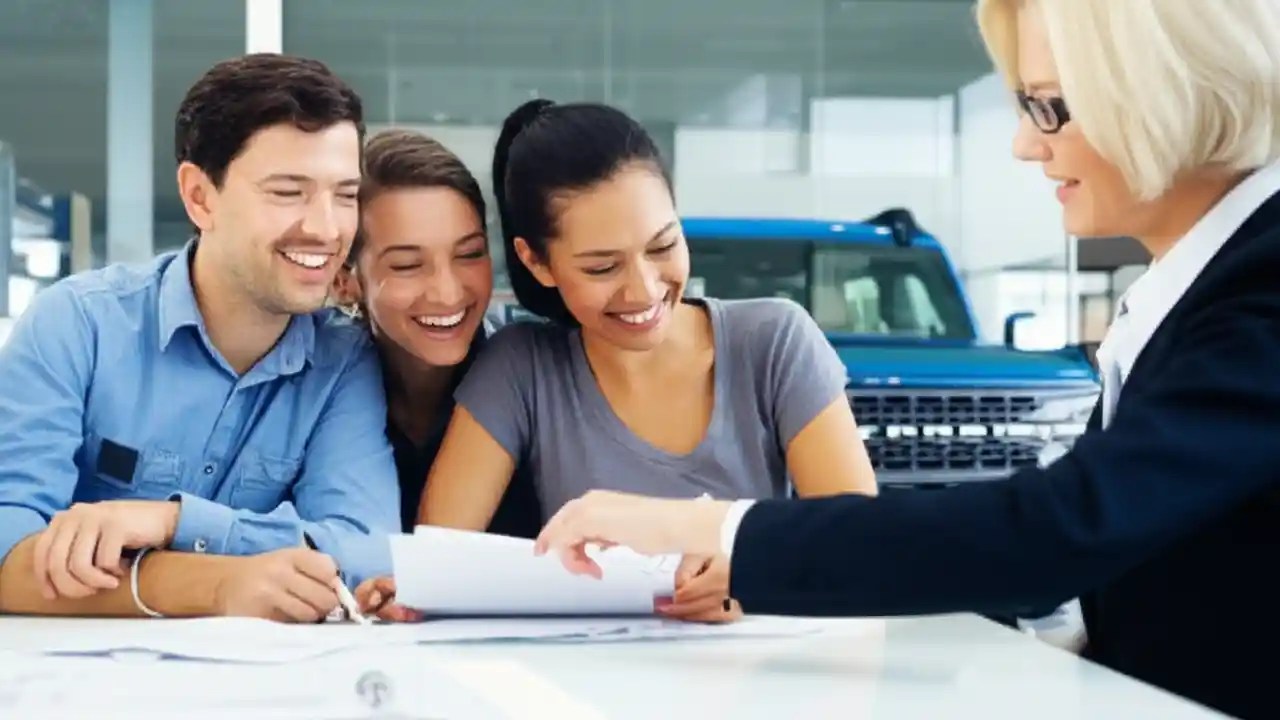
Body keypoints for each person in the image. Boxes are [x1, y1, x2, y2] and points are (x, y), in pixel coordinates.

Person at [533, 0, 1280, 717]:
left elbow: (1060, 532)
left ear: (1171, 90)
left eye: (1049, 106)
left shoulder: (1263, 288)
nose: (1024, 142)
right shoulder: (1200, 288)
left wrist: (696, 527)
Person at [413, 98, 877, 623]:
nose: (645, 289)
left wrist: (760, 574)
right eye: (602, 266)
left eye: (663, 246)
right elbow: (438, 564)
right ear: (535, 261)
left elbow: (861, 547)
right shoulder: (521, 368)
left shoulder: (773, 342)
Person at [0, 54, 400, 623]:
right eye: (288, 192)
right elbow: (8, 547)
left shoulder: (343, 357)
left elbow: (366, 550)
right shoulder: (76, 324)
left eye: (344, 194)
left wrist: (171, 523)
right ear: (199, 197)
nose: (327, 228)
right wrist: (213, 584)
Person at [331, 128, 542, 538]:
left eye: (469, 254)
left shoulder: (533, 380)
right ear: (344, 279)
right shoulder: (315, 392)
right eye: (407, 265)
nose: (447, 293)